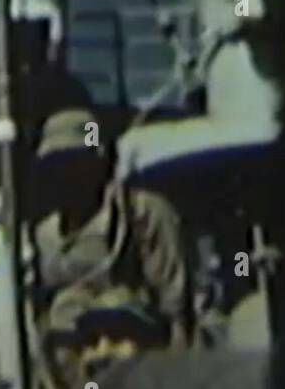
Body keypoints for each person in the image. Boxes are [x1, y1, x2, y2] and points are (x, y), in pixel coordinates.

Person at [28, 108, 189, 348]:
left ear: (99, 161)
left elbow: (174, 306)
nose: (63, 175)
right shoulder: (45, 235)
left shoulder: (141, 213)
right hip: (74, 362)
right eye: (54, 165)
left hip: (135, 354)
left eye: (74, 162)